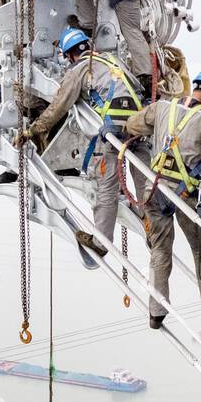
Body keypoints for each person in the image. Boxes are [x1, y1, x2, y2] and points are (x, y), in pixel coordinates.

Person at [122, 69, 201, 329]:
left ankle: (156, 313)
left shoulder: (162, 107)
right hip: (184, 195)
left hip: (153, 190)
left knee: (160, 250)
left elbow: (131, 125)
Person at [22, 25, 145, 258]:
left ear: (69, 55)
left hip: (114, 130)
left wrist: (32, 130)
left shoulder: (79, 70)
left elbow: (58, 107)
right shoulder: (112, 61)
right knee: (145, 181)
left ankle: (100, 243)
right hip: (140, 124)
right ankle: (152, 226)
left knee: (105, 186)